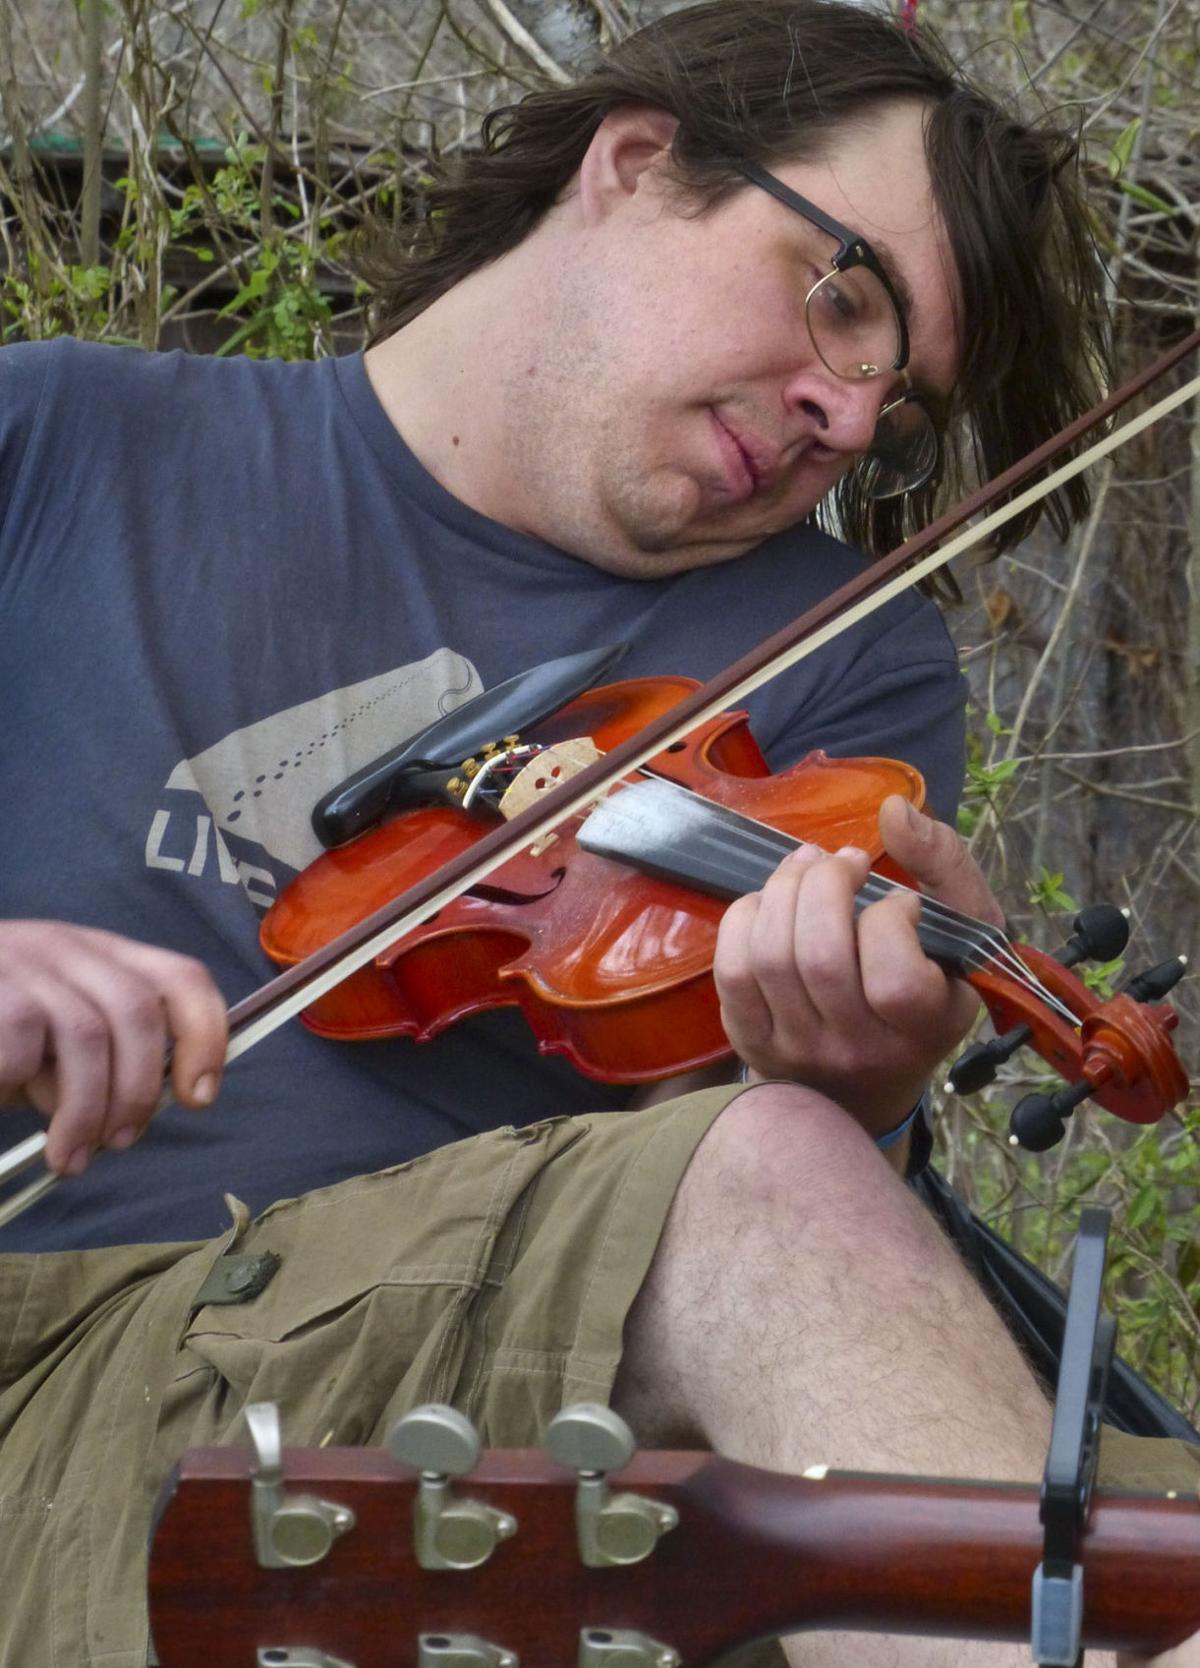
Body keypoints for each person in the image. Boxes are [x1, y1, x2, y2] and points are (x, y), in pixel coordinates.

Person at [3, 4, 1193, 1666]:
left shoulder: (844, 651)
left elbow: (741, 1199)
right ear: (635, 168)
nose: (848, 422)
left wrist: (853, 1084)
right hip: (53, 1383)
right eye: (843, 298)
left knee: (1147, 1533)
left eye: (897, 413)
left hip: (521, 1415)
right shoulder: (59, 449)